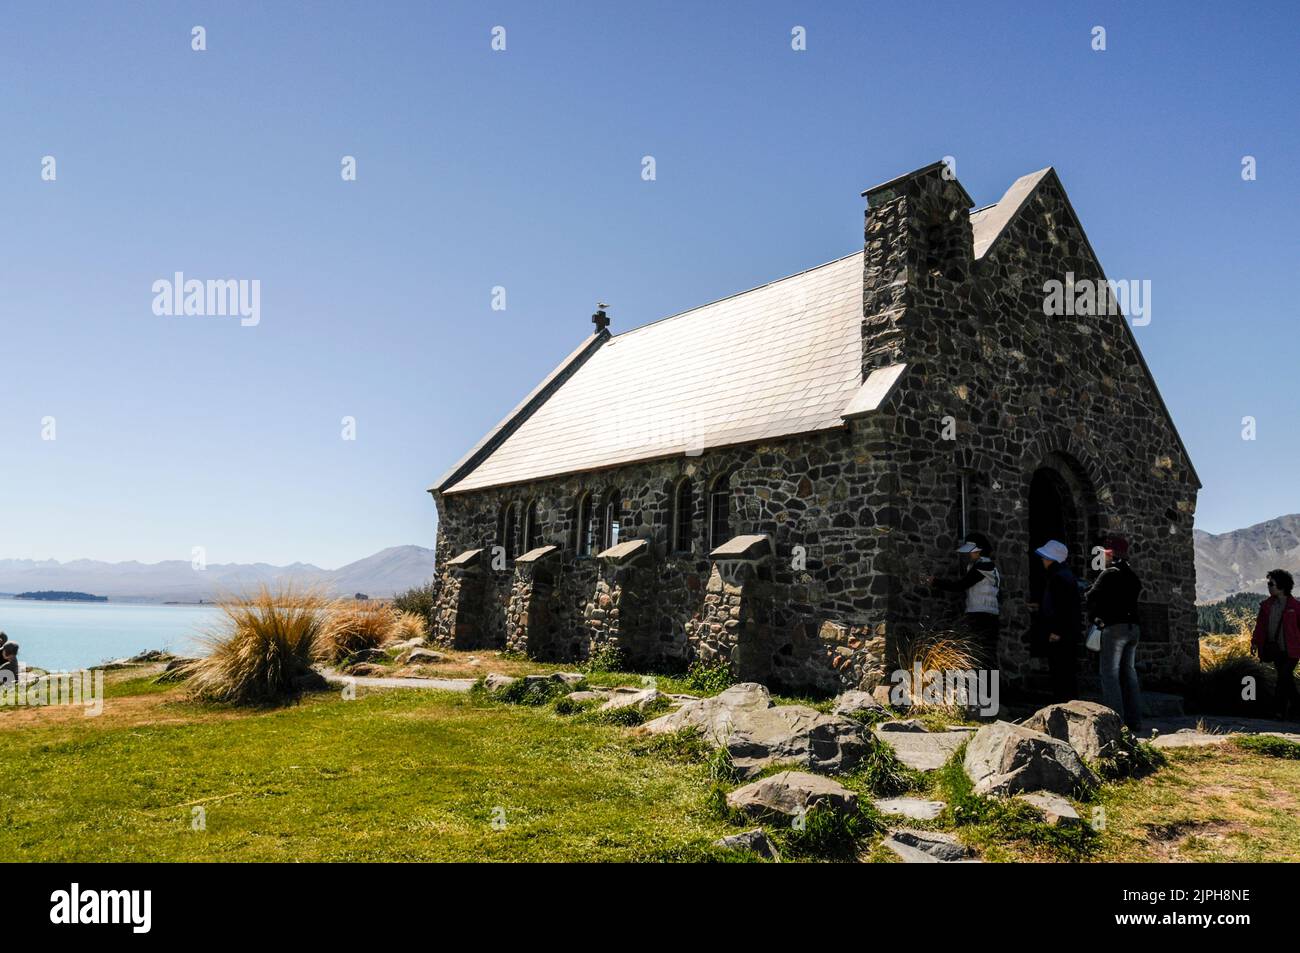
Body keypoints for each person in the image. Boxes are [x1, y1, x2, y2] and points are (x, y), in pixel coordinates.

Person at [1087, 535, 1144, 732]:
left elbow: (1091, 596)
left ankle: (1116, 723)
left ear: (1110, 553)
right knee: (1129, 673)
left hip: (1115, 628)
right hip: (1133, 628)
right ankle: (1134, 720)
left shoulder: (1109, 573)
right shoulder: (1133, 576)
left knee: (1109, 674)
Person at [927, 531, 1001, 667]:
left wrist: (936, 582)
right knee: (987, 656)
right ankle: (991, 688)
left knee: (980, 657)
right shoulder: (990, 567)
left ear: (978, 551)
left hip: (980, 615)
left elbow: (961, 585)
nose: (969, 554)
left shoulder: (982, 567)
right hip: (990, 615)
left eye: (971, 551)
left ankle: (986, 688)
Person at [1031, 539, 1081, 701]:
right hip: (1066, 632)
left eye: (1045, 557)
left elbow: (1063, 607)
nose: (1042, 560)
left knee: (1061, 673)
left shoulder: (1058, 577)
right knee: (1065, 673)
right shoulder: (1064, 575)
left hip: (1060, 634)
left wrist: (1057, 631)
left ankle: (1064, 708)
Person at [1252, 569, 1300, 721]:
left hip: (1292, 650)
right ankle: (1286, 711)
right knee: (1284, 678)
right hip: (1276, 650)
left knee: (1284, 676)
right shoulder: (1266, 606)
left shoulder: (1296, 607)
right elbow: (1260, 627)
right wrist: (1255, 642)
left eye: (1271, 583)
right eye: (1268, 583)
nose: (1268, 586)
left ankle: (1282, 711)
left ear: (1282, 586)